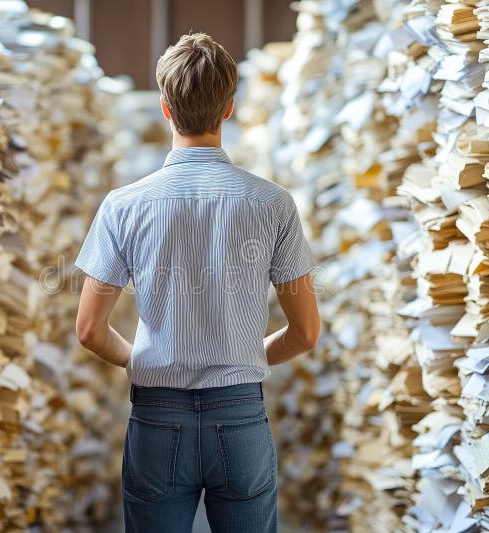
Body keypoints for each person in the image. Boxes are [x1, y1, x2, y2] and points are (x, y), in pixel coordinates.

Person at [74, 32, 320, 533]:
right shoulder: (272, 204)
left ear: (165, 109)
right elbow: (306, 333)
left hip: (157, 420)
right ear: (229, 108)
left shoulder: (125, 205)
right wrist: (243, 357)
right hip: (242, 418)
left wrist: (139, 358)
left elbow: (89, 330)